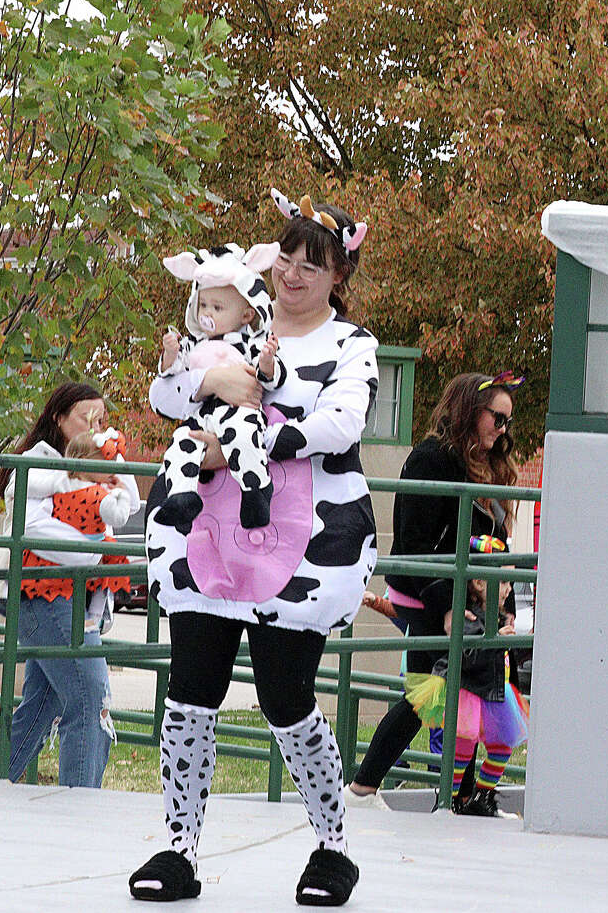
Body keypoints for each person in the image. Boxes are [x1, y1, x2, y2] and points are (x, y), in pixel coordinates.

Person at [129, 188, 376, 906]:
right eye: (288, 259)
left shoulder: (350, 345)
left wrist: (251, 437)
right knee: (191, 686)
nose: (295, 274)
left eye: (313, 263)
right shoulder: (237, 323)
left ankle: (333, 843)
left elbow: (342, 422)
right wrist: (206, 379)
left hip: (303, 537)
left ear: (338, 275)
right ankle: (179, 845)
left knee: (285, 695)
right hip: (208, 526)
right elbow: (167, 393)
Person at [344, 371, 522, 816]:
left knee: (476, 696)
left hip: (475, 601)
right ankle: (362, 789)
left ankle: (465, 797)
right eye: (495, 418)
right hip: (428, 596)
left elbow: (498, 547)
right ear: (468, 410)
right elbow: (417, 542)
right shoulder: (432, 458)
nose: (502, 430)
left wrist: (508, 608)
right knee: (428, 694)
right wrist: (446, 607)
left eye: (507, 422)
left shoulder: (491, 468)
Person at [0, 382, 140, 788]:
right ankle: (80, 806)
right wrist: (91, 551)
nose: (95, 425)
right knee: (90, 699)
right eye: (86, 417)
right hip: (40, 590)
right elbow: (34, 526)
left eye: (101, 418)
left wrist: (110, 464)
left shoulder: (95, 464)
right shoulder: (41, 463)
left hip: (71, 594)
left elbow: (129, 499)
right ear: (58, 417)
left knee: (41, 704)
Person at [156, 242, 284, 533]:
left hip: (238, 411)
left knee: (244, 435)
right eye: (203, 305)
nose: (207, 313)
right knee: (181, 444)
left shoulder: (250, 343)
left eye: (217, 307)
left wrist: (266, 361)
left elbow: (272, 377)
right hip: (203, 415)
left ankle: (256, 489)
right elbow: (169, 377)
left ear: (246, 315)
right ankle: (181, 497)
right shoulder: (194, 343)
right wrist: (170, 354)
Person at [404, 579, 528, 817]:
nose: (509, 589)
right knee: (462, 747)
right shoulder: (470, 617)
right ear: (481, 584)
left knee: (502, 746)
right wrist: (495, 641)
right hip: (469, 691)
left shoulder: (500, 617)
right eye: (503, 582)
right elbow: (468, 655)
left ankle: (482, 798)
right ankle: (447, 801)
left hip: (494, 690)